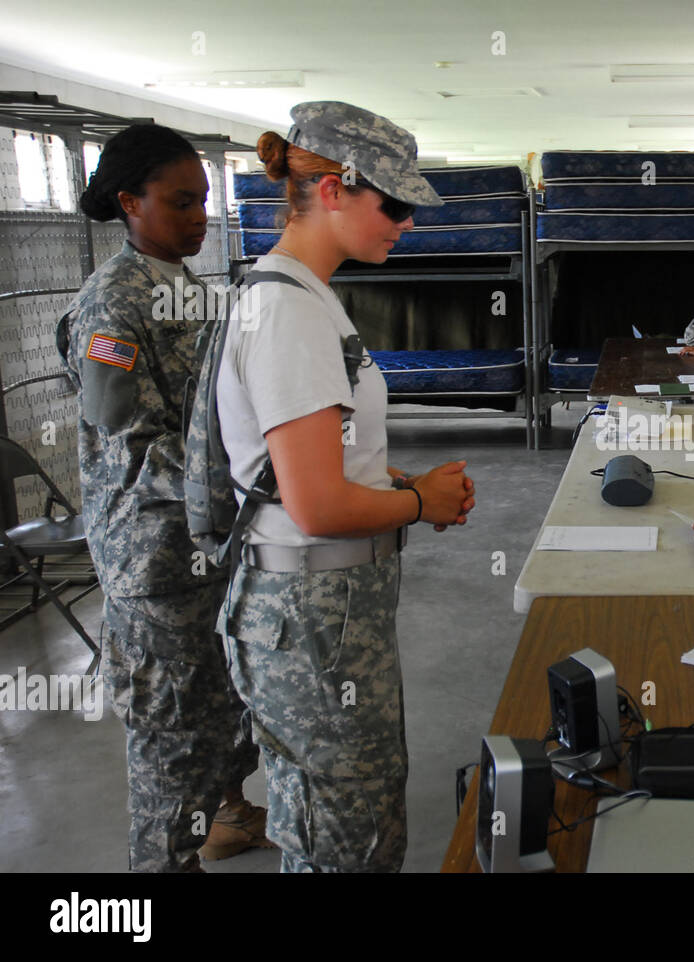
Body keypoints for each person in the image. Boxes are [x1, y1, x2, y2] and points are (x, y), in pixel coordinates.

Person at [215, 101, 476, 872]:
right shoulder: (290, 312)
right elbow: (317, 505)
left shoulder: (303, 296)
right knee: (347, 837)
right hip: (312, 614)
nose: (407, 223)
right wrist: (419, 503)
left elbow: (314, 466)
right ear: (334, 190)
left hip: (328, 607)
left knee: (351, 811)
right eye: (393, 204)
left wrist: (392, 481)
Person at [56, 124, 270, 871]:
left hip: (207, 543)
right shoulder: (111, 306)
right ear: (128, 201)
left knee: (222, 702)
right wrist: (248, 478)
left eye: (203, 201)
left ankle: (230, 817)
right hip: (155, 558)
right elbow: (132, 440)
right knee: (169, 737)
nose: (198, 217)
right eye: (181, 202)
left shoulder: (187, 288)